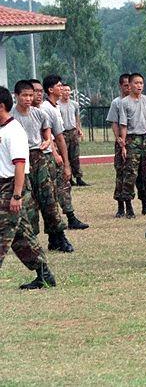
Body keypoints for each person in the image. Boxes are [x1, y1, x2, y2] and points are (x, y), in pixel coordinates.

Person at [0, 85, 57, 290]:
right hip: (4, 186)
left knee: (3, 232)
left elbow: (20, 165)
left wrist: (16, 195)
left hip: (11, 187)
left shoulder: (13, 131)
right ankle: (44, 274)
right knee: (21, 235)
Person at [11, 81, 76, 255]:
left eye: (30, 95)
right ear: (16, 96)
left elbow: (48, 134)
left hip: (39, 158)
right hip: (20, 160)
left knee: (49, 198)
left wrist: (48, 142)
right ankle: (31, 241)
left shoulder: (39, 114)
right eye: (24, 95)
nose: (28, 99)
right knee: (28, 203)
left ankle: (58, 237)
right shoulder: (10, 116)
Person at [40, 75, 88, 232]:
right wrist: (58, 156)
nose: (62, 88)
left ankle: (68, 217)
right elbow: (50, 136)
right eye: (59, 86)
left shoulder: (55, 107)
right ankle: (65, 219)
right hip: (51, 154)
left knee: (62, 185)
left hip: (57, 151)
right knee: (59, 186)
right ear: (51, 89)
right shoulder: (46, 109)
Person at [118, 73, 146, 216]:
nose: (139, 86)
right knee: (130, 174)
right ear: (130, 85)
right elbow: (123, 125)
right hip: (132, 140)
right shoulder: (124, 102)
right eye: (136, 83)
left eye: (141, 83)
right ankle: (128, 206)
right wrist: (123, 146)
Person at [107, 74, 134, 217]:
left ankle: (137, 204)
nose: (128, 88)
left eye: (130, 85)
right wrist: (119, 139)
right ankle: (121, 206)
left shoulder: (139, 101)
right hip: (122, 142)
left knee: (134, 175)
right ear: (121, 86)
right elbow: (115, 123)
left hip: (136, 142)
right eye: (125, 85)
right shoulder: (117, 103)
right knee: (121, 174)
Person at [58, 84, 88, 186]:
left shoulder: (74, 104)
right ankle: (68, 178)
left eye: (68, 90)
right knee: (65, 156)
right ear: (61, 92)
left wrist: (78, 128)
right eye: (65, 90)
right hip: (63, 133)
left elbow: (77, 117)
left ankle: (79, 178)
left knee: (75, 156)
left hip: (73, 131)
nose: (67, 92)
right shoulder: (57, 105)